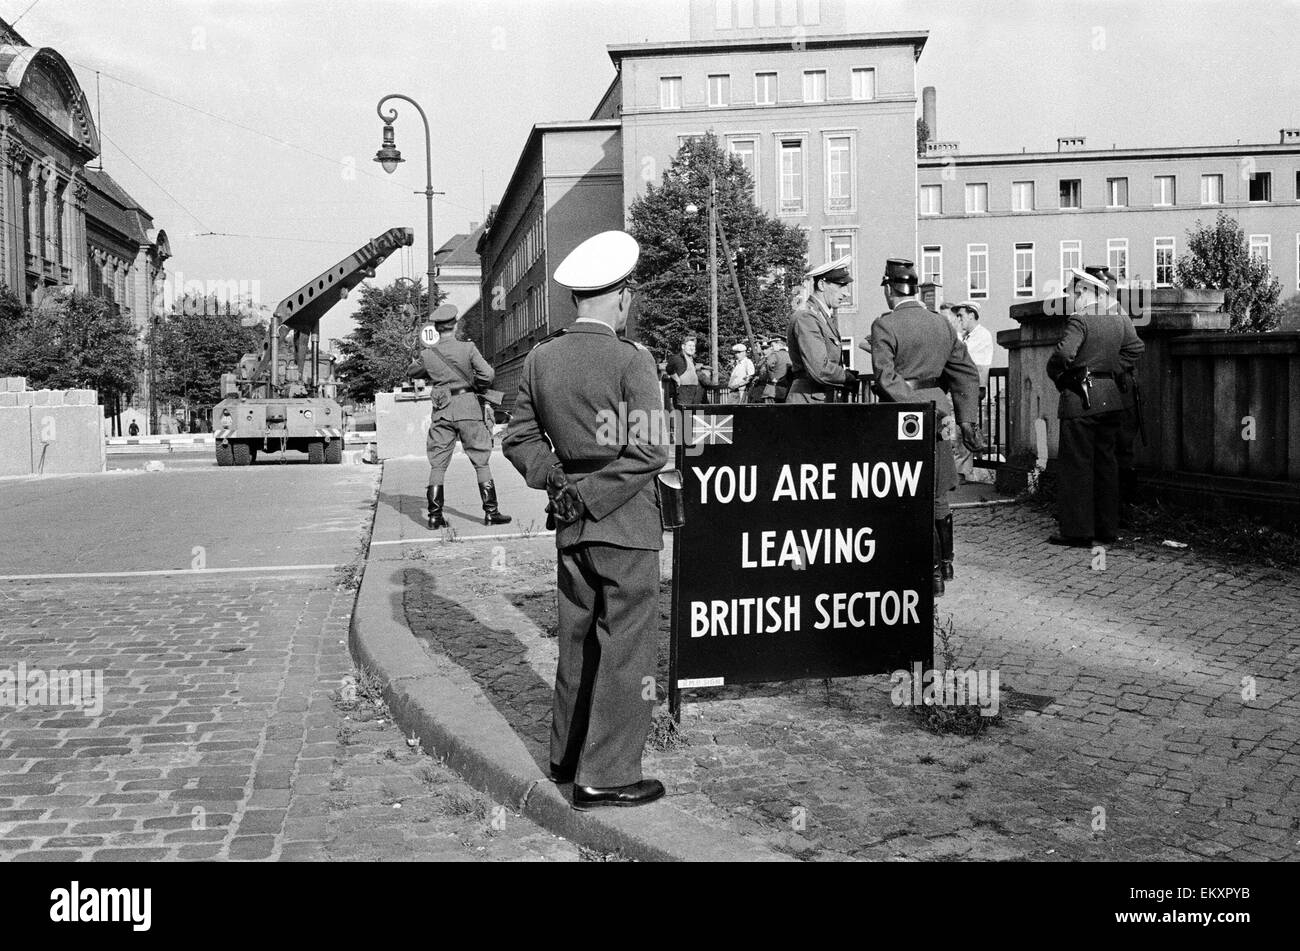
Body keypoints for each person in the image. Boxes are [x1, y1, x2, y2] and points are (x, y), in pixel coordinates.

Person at [503, 230, 667, 811]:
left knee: (577, 640)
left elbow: (518, 436)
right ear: (620, 296)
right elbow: (650, 453)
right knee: (626, 648)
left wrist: (559, 484)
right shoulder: (632, 360)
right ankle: (609, 775)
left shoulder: (541, 359)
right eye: (631, 295)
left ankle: (566, 757)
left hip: (570, 518)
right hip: (623, 520)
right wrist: (594, 494)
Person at [867, 258, 985, 596]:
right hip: (940, 414)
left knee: (906, 492)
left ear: (890, 289)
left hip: (903, 415)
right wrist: (967, 420)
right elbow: (965, 373)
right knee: (936, 493)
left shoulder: (884, 325)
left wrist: (913, 403)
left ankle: (925, 571)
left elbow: (885, 377)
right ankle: (944, 565)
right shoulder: (942, 324)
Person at [1046, 268, 1144, 546]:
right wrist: (1113, 368)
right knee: (1106, 466)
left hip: (1080, 399)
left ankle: (1077, 532)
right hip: (1110, 397)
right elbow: (1136, 348)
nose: (1073, 299)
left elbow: (1064, 354)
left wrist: (1057, 374)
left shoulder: (1080, 319)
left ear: (1084, 292)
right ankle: (1106, 529)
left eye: (1074, 293)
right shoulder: (1117, 318)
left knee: (1077, 466)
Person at [408, 303, 512, 529]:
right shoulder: (468, 349)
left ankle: (434, 516)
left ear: (436, 329)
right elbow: (488, 374)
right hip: (468, 408)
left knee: (438, 464)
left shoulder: (429, 353)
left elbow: (412, 371)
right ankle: (491, 513)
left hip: (442, 410)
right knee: (481, 460)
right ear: (455, 326)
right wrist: (477, 384)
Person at [1084, 264, 1143, 527]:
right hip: (1105, 389)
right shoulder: (1092, 313)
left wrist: (1111, 368)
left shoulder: (1116, 313)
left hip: (1119, 388)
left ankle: (1122, 510)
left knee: (1120, 448)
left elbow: (1134, 348)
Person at [786, 255, 858, 402]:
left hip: (818, 399)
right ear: (821, 285)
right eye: (840, 286)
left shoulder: (821, 316)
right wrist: (846, 377)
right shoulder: (806, 317)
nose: (846, 293)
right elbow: (819, 368)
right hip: (808, 402)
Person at [951, 300, 995, 483]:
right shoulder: (966, 336)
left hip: (971, 388)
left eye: (961, 315)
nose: (959, 319)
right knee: (958, 430)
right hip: (962, 387)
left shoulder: (981, 335)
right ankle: (959, 471)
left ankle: (963, 472)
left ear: (971, 314)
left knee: (964, 431)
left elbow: (964, 358)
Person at [665, 336, 702, 408]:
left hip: (695, 390)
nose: (692, 348)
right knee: (685, 415)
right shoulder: (677, 358)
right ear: (683, 346)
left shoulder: (692, 360)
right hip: (683, 390)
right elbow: (669, 368)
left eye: (693, 346)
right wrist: (676, 378)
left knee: (694, 414)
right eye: (689, 346)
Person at [761, 336, 793, 403]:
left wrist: (772, 378)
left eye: (773, 345)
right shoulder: (790, 355)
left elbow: (769, 364)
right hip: (785, 390)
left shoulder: (775, 354)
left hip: (772, 390)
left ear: (779, 344)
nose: (772, 348)